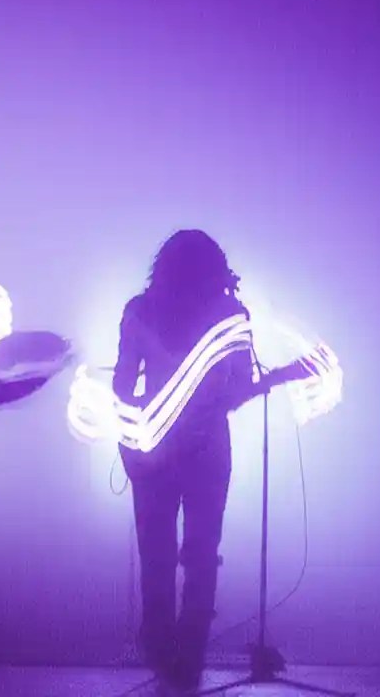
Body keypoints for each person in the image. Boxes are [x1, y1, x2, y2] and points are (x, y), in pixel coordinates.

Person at [115, 230, 307, 692]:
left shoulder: (141, 309)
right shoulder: (228, 314)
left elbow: (122, 384)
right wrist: (278, 379)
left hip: (154, 451)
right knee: (201, 554)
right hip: (205, 452)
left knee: (156, 552)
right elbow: (239, 389)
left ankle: (161, 652)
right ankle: (189, 658)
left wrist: (144, 420)